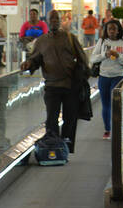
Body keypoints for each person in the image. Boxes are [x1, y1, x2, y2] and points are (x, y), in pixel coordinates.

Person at [21, 9, 88, 151]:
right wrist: (28, 64)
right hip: (52, 86)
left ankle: (67, 147)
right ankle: (54, 147)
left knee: (70, 119)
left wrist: (83, 75)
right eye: (51, 19)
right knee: (51, 119)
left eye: (56, 19)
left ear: (60, 21)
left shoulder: (70, 38)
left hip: (70, 85)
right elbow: (35, 59)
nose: (54, 21)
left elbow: (83, 58)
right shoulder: (41, 41)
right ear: (47, 21)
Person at [90, 20, 123, 139]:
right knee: (106, 104)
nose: (112, 31)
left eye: (114, 29)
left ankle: (118, 127)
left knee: (116, 104)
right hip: (104, 77)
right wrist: (105, 55)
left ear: (118, 30)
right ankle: (107, 129)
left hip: (118, 76)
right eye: (109, 29)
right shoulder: (102, 41)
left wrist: (119, 57)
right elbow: (93, 58)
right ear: (106, 31)